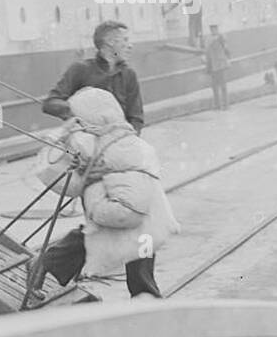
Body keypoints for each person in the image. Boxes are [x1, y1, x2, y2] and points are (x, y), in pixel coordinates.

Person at [25, 87, 179, 302]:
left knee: (141, 233)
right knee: (104, 233)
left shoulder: (112, 127)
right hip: (106, 190)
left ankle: (144, 292)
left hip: (127, 186)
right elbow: (60, 143)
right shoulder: (83, 133)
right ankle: (46, 262)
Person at [42, 21, 144, 133]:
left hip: (118, 141)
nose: (130, 45)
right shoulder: (80, 69)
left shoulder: (129, 74)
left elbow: (136, 117)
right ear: (110, 42)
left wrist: (130, 138)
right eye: (125, 40)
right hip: (85, 141)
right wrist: (81, 113)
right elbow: (50, 103)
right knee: (65, 151)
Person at [204, 24, 232, 111]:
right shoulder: (208, 39)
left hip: (220, 65)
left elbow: (226, 49)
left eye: (215, 29)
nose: (213, 30)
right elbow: (207, 52)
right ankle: (217, 106)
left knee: (223, 86)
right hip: (213, 65)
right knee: (215, 87)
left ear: (217, 29)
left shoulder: (221, 37)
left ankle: (226, 105)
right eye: (212, 29)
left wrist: (227, 59)